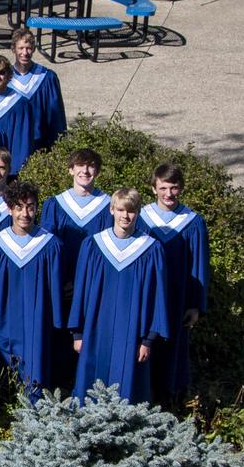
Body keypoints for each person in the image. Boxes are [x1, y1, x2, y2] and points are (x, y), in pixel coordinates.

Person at [69, 187, 172, 404]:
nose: (126, 216)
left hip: (133, 333)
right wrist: (78, 333)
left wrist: (148, 340)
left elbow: (157, 298)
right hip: (96, 329)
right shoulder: (93, 245)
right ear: (112, 210)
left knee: (129, 390)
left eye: (131, 211)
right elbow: (81, 291)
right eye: (121, 210)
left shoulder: (151, 250)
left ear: (138, 212)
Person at [0, 180, 66, 395]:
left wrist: (55, 321)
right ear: (10, 209)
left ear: (37, 208)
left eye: (30, 207)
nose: (25, 213)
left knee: (35, 375)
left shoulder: (50, 245)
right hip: (1, 321)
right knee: (2, 376)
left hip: (37, 321)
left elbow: (55, 288)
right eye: (19, 207)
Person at [140, 162, 211, 402]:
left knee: (173, 349)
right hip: (146, 296)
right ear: (153, 188)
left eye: (174, 188)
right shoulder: (141, 218)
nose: (168, 194)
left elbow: (198, 267)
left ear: (181, 188)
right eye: (163, 188)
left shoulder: (192, 222)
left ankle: (170, 401)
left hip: (177, 298)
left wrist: (195, 305)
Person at [42, 147, 111, 283]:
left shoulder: (110, 206)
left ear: (97, 171)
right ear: (71, 170)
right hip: (61, 279)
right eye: (80, 165)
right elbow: (48, 248)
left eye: (91, 166)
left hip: (95, 279)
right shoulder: (54, 205)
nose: (85, 171)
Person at [8, 27, 67, 153]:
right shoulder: (5, 78)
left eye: (29, 48)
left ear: (34, 49)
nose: (25, 52)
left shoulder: (46, 77)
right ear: (13, 49)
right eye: (21, 48)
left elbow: (55, 115)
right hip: (12, 141)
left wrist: (58, 146)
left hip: (39, 142)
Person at [0, 54, 39, 173]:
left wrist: (16, 171)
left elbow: (22, 142)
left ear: (9, 75)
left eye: (2, 72)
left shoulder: (20, 103)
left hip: (7, 170)